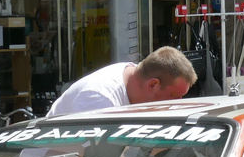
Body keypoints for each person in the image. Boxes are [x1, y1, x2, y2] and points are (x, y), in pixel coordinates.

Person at [47, 46, 198, 116]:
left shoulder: (133, 78)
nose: (177, 104)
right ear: (153, 84)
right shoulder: (100, 98)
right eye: (173, 96)